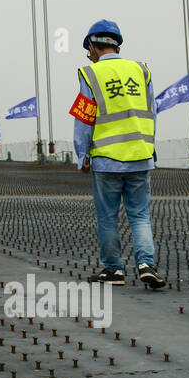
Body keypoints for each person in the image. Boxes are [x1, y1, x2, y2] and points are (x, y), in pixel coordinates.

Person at [71, 19, 166, 289]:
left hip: (107, 159)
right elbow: (153, 113)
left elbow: (84, 119)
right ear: (117, 45)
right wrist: (150, 148)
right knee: (140, 214)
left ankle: (114, 270)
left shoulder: (90, 74)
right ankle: (147, 264)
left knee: (108, 216)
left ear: (92, 45)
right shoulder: (141, 71)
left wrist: (82, 154)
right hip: (140, 154)